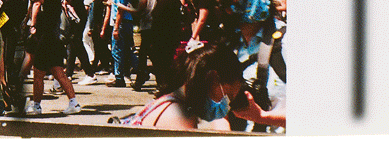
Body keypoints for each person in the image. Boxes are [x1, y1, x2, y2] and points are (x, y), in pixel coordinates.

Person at [121, 44, 283, 131]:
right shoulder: (180, 117)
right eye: (228, 96)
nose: (226, 106)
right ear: (213, 78)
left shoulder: (173, 102)